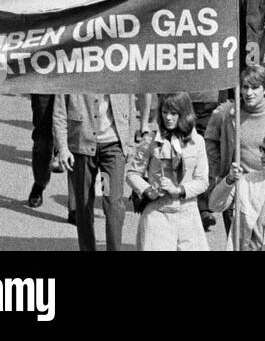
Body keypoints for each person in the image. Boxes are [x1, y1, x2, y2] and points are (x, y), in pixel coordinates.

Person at [52, 91, 144, 251]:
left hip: (113, 147)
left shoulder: (118, 67)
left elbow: (129, 101)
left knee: (113, 202)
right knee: (84, 203)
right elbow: (59, 111)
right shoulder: (71, 68)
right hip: (81, 147)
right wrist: (62, 147)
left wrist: (129, 141)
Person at [125, 93, 209, 252]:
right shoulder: (150, 140)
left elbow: (203, 181)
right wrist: (149, 191)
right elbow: (132, 174)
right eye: (165, 112)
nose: (168, 118)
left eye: (174, 113)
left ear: (184, 114)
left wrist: (179, 190)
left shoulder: (197, 142)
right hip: (158, 213)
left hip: (188, 214)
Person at [205, 66, 265, 194]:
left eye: (255, 88)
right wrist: (218, 173)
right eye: (245, 87)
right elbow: (210, 141)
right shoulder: (225, 113)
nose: (249, 93)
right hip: (238, 190)